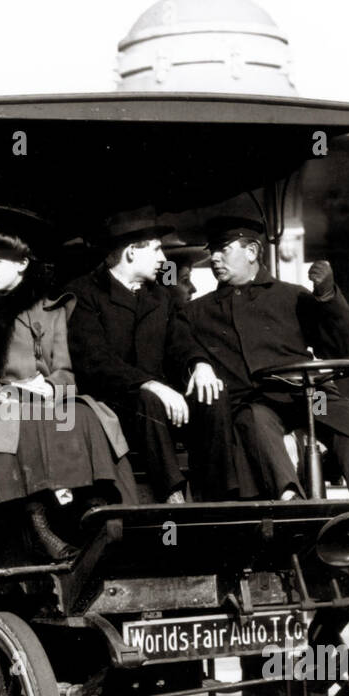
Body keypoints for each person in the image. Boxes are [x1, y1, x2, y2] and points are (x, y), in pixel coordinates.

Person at [0, 208, 138, 562]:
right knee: (24, 418)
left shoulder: (50, 310)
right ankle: (39, 521)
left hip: (44, 400)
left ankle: (93, 505)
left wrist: (50, 386)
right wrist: (0, 392)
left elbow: (64, 370)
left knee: (86, 414)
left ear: (21, 263)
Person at [180, 217, 349, 499]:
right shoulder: (198, 312)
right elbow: (179, 347)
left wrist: (327, 295)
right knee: (255, 421)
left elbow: (338, 349)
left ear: (252, 252)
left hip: (308, 396)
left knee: (343, 415)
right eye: (213, 251)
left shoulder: (294, 296)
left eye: (223, 250)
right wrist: (199, 363)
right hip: (256, 400)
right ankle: (290, 497)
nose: (214, 258)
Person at [66, 210, 225, 503]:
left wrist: (199, 364)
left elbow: (180, 341)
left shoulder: (159, 296)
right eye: (155, 249)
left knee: (212, 396)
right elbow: (96, 362)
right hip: (111, 403)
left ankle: (213, 495)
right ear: (130, 253)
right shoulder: (83, 293)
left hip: (159, 401)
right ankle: (172, 493)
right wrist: (150, 384)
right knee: (147, 399)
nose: (163, 259)